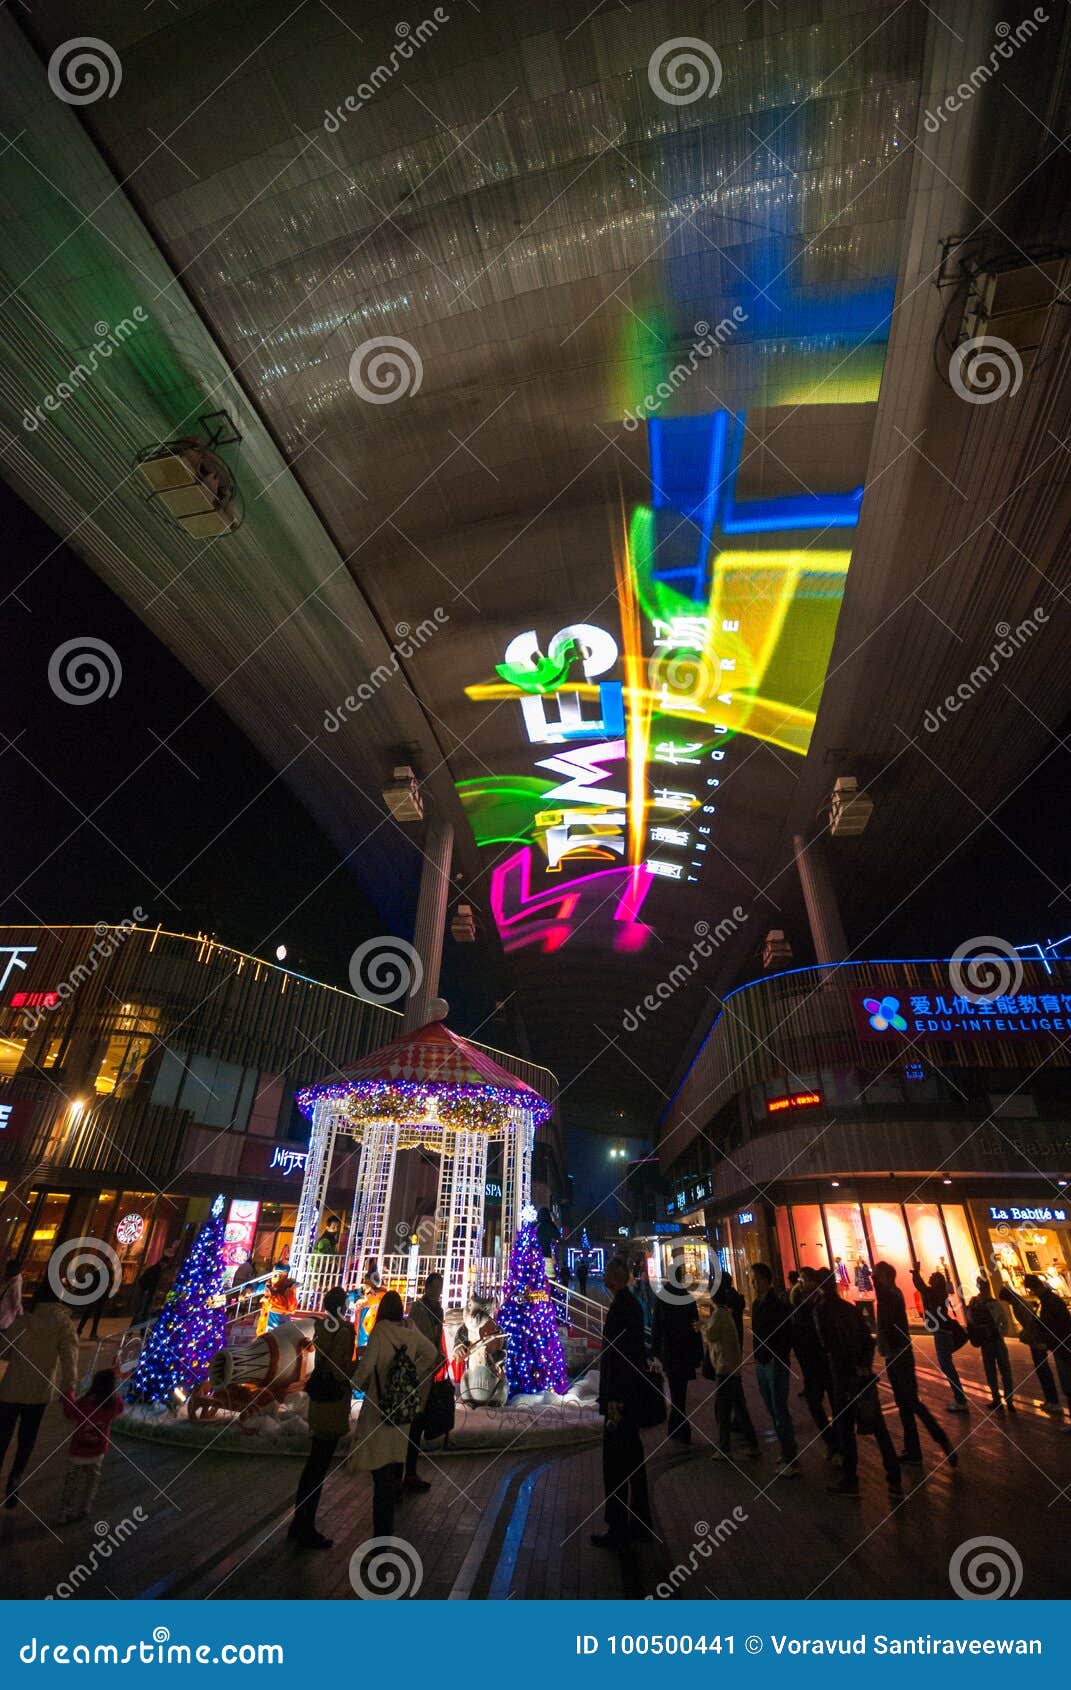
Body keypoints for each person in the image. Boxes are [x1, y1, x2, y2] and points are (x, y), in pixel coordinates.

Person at [350, 1291, 440, 1538]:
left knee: (380, 1479)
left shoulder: (381, 1331)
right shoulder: (410, 1330)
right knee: (391, 1469)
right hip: (402, 1409)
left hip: (379, 1408)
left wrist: (355, 1384)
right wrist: (413, 1373)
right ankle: (386, 1529)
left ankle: (381, 1538)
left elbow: (366, 1367)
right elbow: (432, 1354)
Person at [815, 1270, 901, 1498]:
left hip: (842, 1377)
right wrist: (863, 1366)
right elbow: (867, 1340)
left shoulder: (821, 1310)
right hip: (861, 1377)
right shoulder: (850, 1309)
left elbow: (827, 1345)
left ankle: (850, 1479)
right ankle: (895, 1480)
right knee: (879, 1428)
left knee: (845, 1430)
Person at [0, 1281, 78, 1509]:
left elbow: (4, 1350)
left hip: (11, 1389)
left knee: (2, 1436)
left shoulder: (24, 1321)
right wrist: (69, 1387)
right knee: (27, 1438)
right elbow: (69, 1358)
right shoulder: (64, 1324)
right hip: (39, 1392)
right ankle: (14, 1480)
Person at [592, 1258, 652, 1548]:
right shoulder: (630, 1304)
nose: (603, 1277)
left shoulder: (622, 1307)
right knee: (633, 1460)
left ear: (615, 1277)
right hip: (628, 1396)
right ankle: (640, 1520)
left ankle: (618, 1526)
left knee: (615, 1463)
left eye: (606, 1273)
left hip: (621, 1400)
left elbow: (621, 1357)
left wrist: (614, 1398)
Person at [290, 1286, 356, 1549]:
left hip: (319, 1399)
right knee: (319, 1464)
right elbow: (340, 1368)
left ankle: (300, 1521)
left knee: (313, 1465)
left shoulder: (323, 1328)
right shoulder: (342, 1331)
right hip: (332, 1400)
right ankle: (306, 1525)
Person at [873, 1261, 957, 1466]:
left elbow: (886, 1323)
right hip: (898, 1353)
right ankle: (914, 1449)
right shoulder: (895, 1294)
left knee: (910, 1402)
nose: (874, 1280)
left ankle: (939, 1439)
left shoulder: (889, 1296)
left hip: (897, 1353)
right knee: (905, 1404)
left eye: (877, 1276)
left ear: (885, 1277)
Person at [749, 1262, 798, 1475]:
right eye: (751, 1278)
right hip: (761, 1362)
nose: (752, 1282)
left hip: (775, 1363)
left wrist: (776, 1355)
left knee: (780, 1409)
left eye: (755, 1278)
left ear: (765, 1280)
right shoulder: (756, 1304)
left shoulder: (777, 1304)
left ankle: (790, 1457)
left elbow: (787, 1334)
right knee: (772, 1408)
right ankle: (785, 1450)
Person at [58, 1367, 124, 1523]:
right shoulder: (113, 1405)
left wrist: (69, 1394)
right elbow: (121, 1406)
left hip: (79, 1451)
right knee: (92, 1480)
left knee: (72, 1481)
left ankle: (65, 1511)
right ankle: (86, 1506)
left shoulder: (85, 1404)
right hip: (97, 1451)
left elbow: (69, 1411)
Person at [703, 1281, 759, 1461]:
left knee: (723, 1409)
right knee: (739, 1408)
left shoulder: (719, 1315)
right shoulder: (725, 1314)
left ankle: (724, 1447)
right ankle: (752, 1444)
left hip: (724, 1367)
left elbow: (711, 1335)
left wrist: (702, 1327)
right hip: (732, 1367)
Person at [789, 1265, 836, 1457]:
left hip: (823, 1362)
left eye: (803, 1280)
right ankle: (834, 1442)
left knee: (831, 1404)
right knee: (816, 1404)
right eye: (799, 1280)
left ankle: (837, 1444)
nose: (800, 1284)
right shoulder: (802, 1303)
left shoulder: (820, 1305)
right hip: (811, 1364)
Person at [650, 1278, 703, 1445]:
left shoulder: (663, 1298)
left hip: (670, 1352)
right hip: (685, 1351)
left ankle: (679, 1428)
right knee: (680, 1392)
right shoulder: (686, 1297)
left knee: (675, 1391)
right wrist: (698, 1352)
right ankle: (677, 1428)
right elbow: (696, 1325)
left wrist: (655, 1350)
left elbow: (656, 1326)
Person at [405, 1272, 445, 1489]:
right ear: (427, 1287)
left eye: (440, 1287)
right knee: (413, 1419)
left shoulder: (438, 1310)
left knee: (419, 1421)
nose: (438, 1291)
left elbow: (436, 1337)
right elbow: (415, 1338)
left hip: (430, 1370)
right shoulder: (418, 1309)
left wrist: (438, 1354)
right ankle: (405, 1472)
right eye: (435, 1286)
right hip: (417, 1370)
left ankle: (410, 1470)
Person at [911, 1264, 968, 1411]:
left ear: (936, 1282)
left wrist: (916, 1273)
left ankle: (960, 1400)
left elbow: (920, 1286)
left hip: (941, 1332)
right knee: (947, 1365)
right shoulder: (939, 1294)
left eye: (933, 1277)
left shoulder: (933, 1293)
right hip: (943, 1331)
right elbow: (921, 1286)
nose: (930, 1277)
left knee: (947, 1366)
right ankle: (960, 1398)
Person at [999, 1282, 1060, 1412]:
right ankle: (1051, 1400)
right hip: (1035, 1340)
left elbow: (1031, 1324)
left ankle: (1053, 1401)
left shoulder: (1019, 1306)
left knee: (1043, 1370)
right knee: (1042, 1370)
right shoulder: (1018, 1303)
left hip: (1037, 1341)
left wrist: (1024, 1334)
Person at [1023, 1273, 1071, 1421]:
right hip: (1060, 1344)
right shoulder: (1049, 1300)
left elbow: (1056, 1324)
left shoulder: (1050, 1302)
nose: (1031, 1293)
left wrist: (1041, 1334)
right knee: (1066, 1384)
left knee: (1068, 1384)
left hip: (1061, 1345)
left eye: (1031, 1289)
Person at [967, 1273, 1015, 1410]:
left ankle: (998, 1398)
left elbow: (970, 1320)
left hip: (987, 1341)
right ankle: (1007, 1399)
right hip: (995, 1341)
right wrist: (999, 1333)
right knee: (1003, 1369)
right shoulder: (994, 1304)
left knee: (992, 1370)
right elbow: (1004, 1323)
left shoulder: (976, 1303)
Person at [258, 1262, 298, 1334]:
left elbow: (289, 1306)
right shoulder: (270, 1286)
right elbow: (258, 1287)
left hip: (278, 1327)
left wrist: (269, 1299)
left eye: (279, 1275)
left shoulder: (289, 1289)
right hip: (265, 1324)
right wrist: (249, 1289)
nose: (275, 1278)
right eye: (274, 1275)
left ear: (285, 1276)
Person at [130, 1257, 163, 1327]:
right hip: (147, 1292)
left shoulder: (153, 1269)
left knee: (142, 1311)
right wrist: (147, 1290)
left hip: (146, 1291)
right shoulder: (156, 1271)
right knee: (143, 1312)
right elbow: (151, 1282)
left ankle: (134, 1328)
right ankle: (139, 1329)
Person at [0, 1259, 23, 1330]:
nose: (7, 1270)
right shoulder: (12, 1278)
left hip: (6, 1309)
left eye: (8, 1269)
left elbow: (17, 1298)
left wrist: (20, 1311)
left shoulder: (16, 1283)